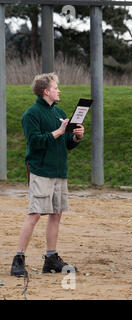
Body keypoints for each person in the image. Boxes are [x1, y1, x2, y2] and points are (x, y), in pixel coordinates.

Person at [10, 73, 84, 277]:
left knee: (56, 214)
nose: (59, 90)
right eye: (55, 87)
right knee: (34, 214)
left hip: (60, 171)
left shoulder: (59, 112)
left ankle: (51, 258)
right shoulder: (31, 115)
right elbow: (34, 142)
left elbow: (67, 143)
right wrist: (59, 131)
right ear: (46, 91)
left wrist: (76, 137)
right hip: (41, 171)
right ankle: (18, 259)